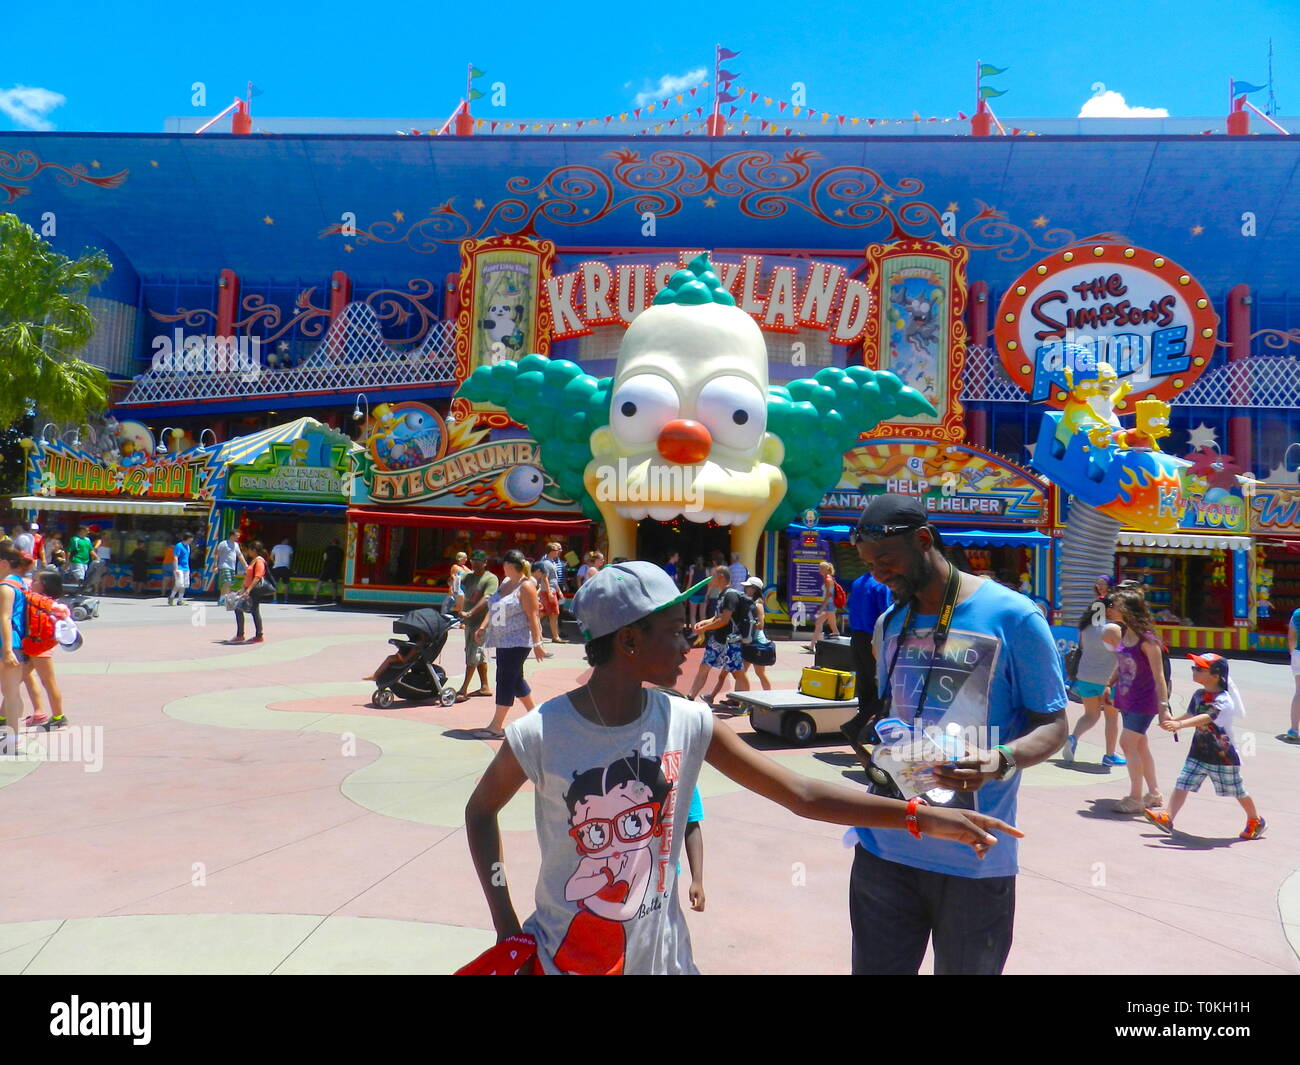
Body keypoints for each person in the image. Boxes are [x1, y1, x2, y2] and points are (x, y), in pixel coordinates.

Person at [461, 560, 1019, 975]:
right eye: (678, 628)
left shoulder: (690, 720)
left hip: (666, 962)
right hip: (565, 960)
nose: (691, 640)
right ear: (629, 640)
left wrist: (917, 815)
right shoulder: (540, 733)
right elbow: (480, 811)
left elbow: (801, 792)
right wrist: (505, 922)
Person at [849, 494, 1067, 975]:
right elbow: (895, 717)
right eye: (868, 564)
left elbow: (1053, 723)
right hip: (885, 844)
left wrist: (1000, 760)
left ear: (924, 541)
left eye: (886, 561)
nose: (878, 574)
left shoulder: (1015, 617)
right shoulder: (890, 623)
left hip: (973, 856)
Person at [1144, 654, 1265, 840]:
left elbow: (1207, 717)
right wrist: (1174, 720)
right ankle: (1167, 817)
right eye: (1194, 667)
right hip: (1199, 751)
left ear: (1216, 675)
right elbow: (1191, 713)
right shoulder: (1199, 695)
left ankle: (1255, 820)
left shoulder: (1224, 700)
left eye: (1199, 668)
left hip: (1222, 756)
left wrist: (1180, 726)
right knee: (1182, 783)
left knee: (1237, 790)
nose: (1194, 670)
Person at [1105, 585, 1171, 814]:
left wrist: (1164, 707)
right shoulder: (1125, 634)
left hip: (1143, 701)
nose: (1111, 608)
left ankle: (1135, 798)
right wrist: (1109, 683)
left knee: (1128, 744)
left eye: (1115, 605)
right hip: (1127, 698)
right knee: (1140, 745)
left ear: (1128, 609)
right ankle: (1153, 793)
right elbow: (1121, 662)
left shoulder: (1148, 640)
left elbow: (1159, 675)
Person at [474, 549, 546, 739]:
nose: (502, 568)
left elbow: (533, 616)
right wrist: (483, 627)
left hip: (517, 641)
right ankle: (536, 716)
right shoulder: (506, 582)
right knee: (515, 680)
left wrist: (538, 643)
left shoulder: (526, 587)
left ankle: (496, 726)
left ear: (508, 565)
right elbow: (494, 606)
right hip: (501, 640)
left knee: (505, 679)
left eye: (503, 565)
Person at [1060, 576, 1125, 767]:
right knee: (1111, 717)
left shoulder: (1085, 629)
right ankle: (1110, 755)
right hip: (1107, 680)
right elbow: (1123, 655)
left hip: (1085, 677)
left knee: (1090, 715)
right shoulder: (1113, 629)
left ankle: (1073, 738)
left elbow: (1081, 649)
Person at [686, 566, 752, 704]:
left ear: (721, 577)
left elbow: (724, 620)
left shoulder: (730, 596)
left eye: (712, 576)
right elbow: (717, 617)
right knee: (704, 667)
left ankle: (747, 702)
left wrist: (704, 629)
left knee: (737, 673)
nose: (710, 579)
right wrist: (703, 623)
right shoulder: (722, 595)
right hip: (717, 640)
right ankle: (690, 697)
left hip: (730, 642)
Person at [709, 575, 774, 704]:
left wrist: (747, 623)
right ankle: (737, 700)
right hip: (747, 642)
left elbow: (761, 625)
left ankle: (770, 698)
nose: (745, 589)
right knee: (740, 673)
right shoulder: (747, 602)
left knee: (759, 673)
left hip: (757, 644)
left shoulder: (758, 605)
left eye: (747, 587)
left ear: (754, 589)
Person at [21, 569, 69, 730]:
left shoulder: (38, 600)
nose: (31, 583)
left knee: (48, 682)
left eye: (35, 581)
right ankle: (40, 713)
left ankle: (58, 717)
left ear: (43, 585)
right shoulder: (46, 601)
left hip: (39, 647)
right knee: (22, 677)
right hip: (39, 645)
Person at [847, 568, 891, 720]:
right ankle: (866, 722)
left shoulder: (857, 582)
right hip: (872, 637)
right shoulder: (881, 584)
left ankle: (862, 720)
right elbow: (887, 613)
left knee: (863, 682)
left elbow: (850, 605)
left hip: (856, 636)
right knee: (880, 683)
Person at [454, 551, 498, 703]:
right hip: (469, 622)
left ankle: (463, 689)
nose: (475, 564)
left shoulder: (490, 578)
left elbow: (488, 598)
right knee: (477, 653)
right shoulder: (469, 576)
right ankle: (485, 687)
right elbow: (456, 584)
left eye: (478, 561)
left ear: (485, 562)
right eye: (473, 561)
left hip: (482, 622)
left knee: (473, 654)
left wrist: (471, 612)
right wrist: (453, 579)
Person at [0, 545, 30, 753]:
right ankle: (14, 736)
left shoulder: (4, 587)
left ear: (3, 564)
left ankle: (13, 740)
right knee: (12, 692)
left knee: (9, 694)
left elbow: (5, 617)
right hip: (20, 644)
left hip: (6, 644)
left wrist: (8, 650)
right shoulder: (21, 584)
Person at [227, 541, 268, 644]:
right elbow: (249, 577)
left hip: (253, 591)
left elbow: (257, 577)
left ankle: (247, 635)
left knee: (242, 609)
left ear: (253, 550)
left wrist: (248, 590)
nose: (248, 552)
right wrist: (243, 589)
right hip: (248, 590)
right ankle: (254, 635)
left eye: (249, 550)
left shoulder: (259, 561)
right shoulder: (254, 560)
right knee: (247, 610)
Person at [804, 560, 841, 650]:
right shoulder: (827, 578)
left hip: (830, 605)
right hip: (829, 605)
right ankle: (812, 646)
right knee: (821, 623)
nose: (819, 570)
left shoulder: (828, 579)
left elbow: (829, 595)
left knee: (831, 626)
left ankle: (838, 647)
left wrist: (822, 608)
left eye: (821, 568)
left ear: (825, 569)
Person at [534, 543, 563, 644]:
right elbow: (545, 578)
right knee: (554, 614)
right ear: (550, 551)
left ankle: (531, 625)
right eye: (556, 550)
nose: (558, 551)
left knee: (545, 612)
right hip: (548, 591)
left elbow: (553, 579)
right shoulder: (547, 563)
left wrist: (559, 590)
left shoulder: (551, 562)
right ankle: (555, 637)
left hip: (550, 590)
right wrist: (550, 592)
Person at [214, 534, 246, 600]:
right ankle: (222, 599)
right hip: (224, 565)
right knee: (227, 581)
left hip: (232, 567)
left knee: (230, 583)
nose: (238, 537)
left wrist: (245, 565)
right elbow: (217, 554)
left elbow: (239, 555)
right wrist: (215, 565)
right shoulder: (223, 543)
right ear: (231, 535)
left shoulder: (236, 545)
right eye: (236, 536)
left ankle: (223, 597)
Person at [1285, 604, 1300, 743]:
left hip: (1298, 654)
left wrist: (1293, 653)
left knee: (1298, 692)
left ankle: (1294, 729)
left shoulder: (1297, 613)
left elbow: (1291, 637)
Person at [315, 538, 344, 603]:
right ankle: (334, 599)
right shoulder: (341, 551)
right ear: (338, 544)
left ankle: (315, 598)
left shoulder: (328, 548)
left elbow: (325, 557)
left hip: (327, 568)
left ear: (332, 543)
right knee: (334, 584)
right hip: (335, 568)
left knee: (319, 582)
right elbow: (341, 561)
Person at [168, 532, 193, 606]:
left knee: (184, 585)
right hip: (179, 568)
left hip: (186, 568)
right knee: (179, 584)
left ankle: (180, 600)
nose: (191, 541)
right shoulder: (179, 546)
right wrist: (176, 569)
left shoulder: (188, 546)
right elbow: (175, 557)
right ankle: (172, 597)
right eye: (190, 540)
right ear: (187, 539)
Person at [685, 556, 708, 626]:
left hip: (694, 593)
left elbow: (690, 582)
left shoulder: (692, 570)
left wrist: (686, 593)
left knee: (693, 615)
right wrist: (707, 593)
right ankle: (702, 632)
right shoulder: (706, 570)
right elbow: (708, 583)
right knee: (703, 615)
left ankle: (694, 632)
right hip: (704, 593)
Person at [270, 538, 293, 604]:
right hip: (286, 567)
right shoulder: (289, 548)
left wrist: (274, 562)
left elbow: (271, 557)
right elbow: (291, 557)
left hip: (276, 567)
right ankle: (286, 600)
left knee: (275, 584)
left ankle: (274, 599)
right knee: (286, 584)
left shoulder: (276, 547)